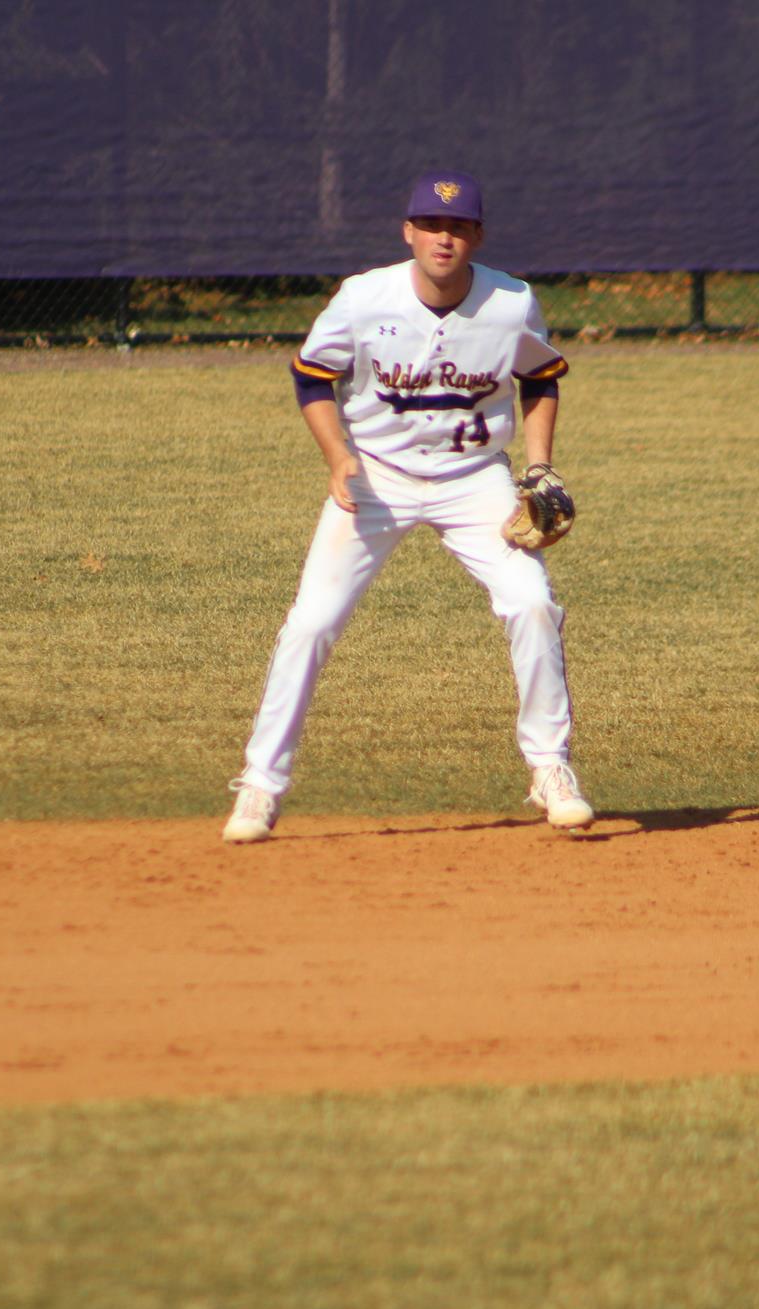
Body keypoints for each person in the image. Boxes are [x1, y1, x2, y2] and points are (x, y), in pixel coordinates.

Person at [222, 169, 592, 844]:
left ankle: (550, 767)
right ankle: (259, 785)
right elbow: (310, 375)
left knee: (532, 601)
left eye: (457, 227)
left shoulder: (512, 302)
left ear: (476, 235)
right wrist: (339, 457)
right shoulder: (365, 299)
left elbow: (539, 378)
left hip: (474, 478)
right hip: (376, 480)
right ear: (409, 231)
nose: (443, 238)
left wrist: (538, 466)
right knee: (310, 623)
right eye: (431, 225)